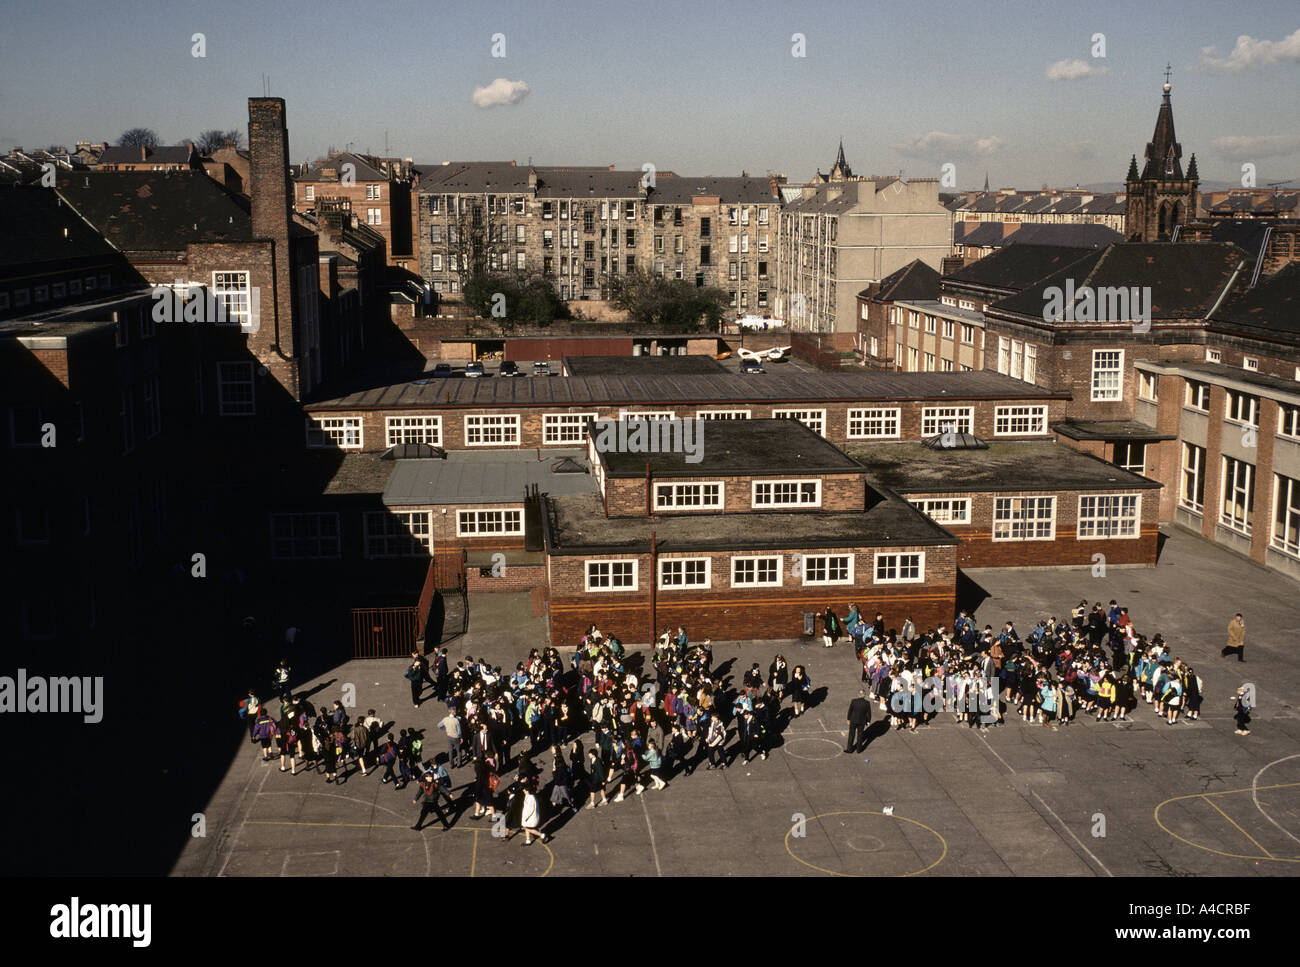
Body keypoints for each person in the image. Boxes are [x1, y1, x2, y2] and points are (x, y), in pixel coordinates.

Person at [845, 688, 872, 753]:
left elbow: (850, 711)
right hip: (862, 721)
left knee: (851, 735)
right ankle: (859, 749)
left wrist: (848, 719)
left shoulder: (854, 701)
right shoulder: (867, 703)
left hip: (853, 720)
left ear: (858, 694)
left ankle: (849, 749)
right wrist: (868, 721)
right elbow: (869, 713)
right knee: (860, 735)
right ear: (864, 695)